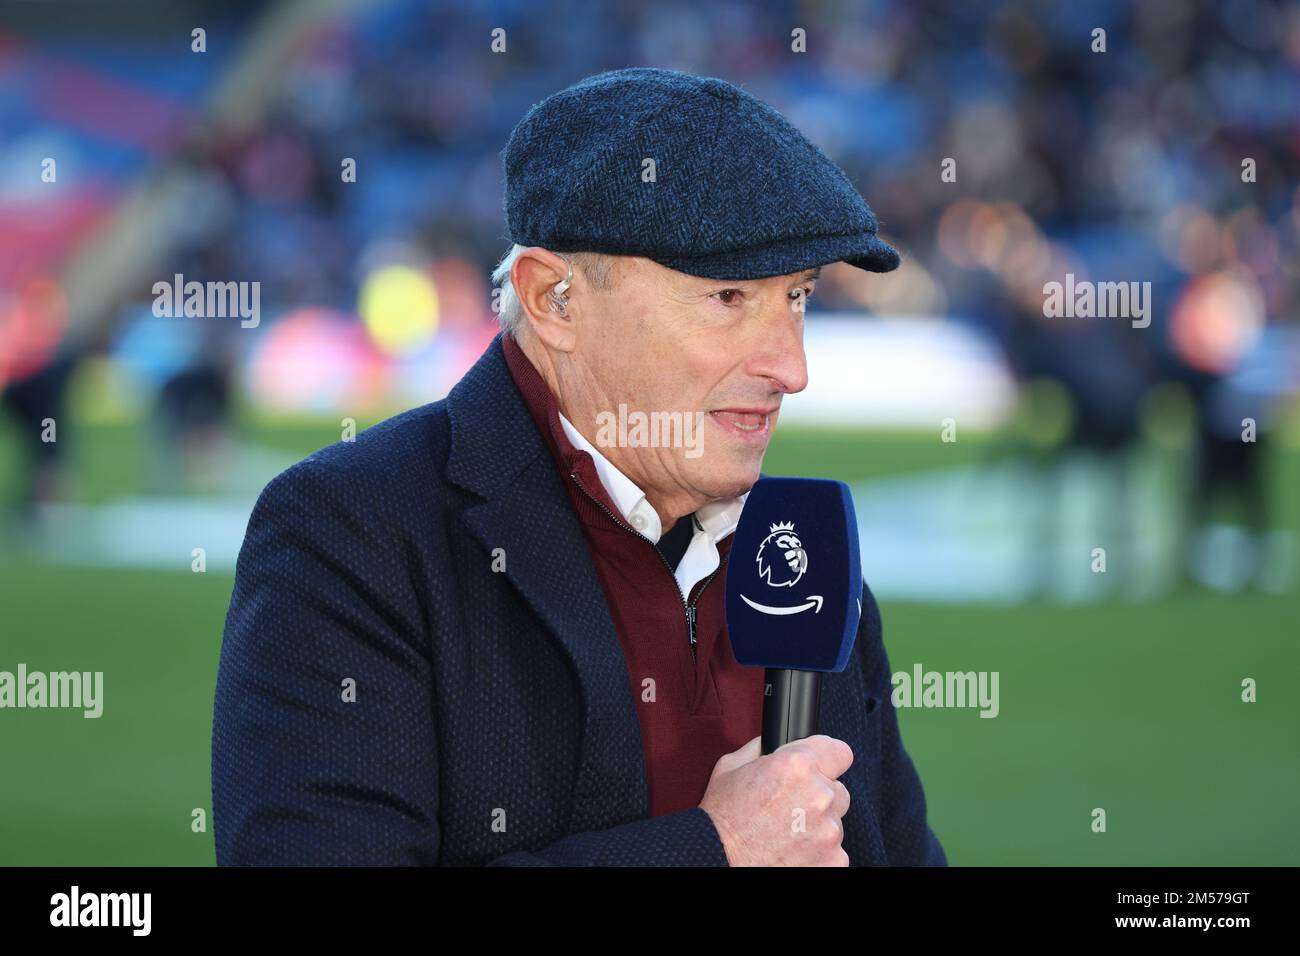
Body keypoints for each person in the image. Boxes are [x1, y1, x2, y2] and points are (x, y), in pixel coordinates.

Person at [212, 67, 945, 866]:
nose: (790, 367)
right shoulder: (355, 532)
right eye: (730, 298)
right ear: (553, 299)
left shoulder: (803, 551)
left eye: (798, 297)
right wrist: (714, 849)